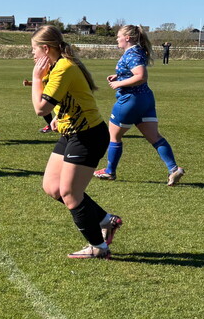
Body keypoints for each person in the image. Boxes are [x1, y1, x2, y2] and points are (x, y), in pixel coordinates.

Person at [30, 26, 122, 259]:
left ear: (45, 48)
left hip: (88, 135)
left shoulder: (63, 68)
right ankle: (104, 219)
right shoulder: (56, 66)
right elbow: (70, 98)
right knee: (52, 187)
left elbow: (41, 108)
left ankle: (98, 247)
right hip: (71, 133)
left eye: (33, 50)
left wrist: (35, 79)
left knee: (70, 193)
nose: (32, 54)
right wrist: (59, 118)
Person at [93, 25, 185, 186]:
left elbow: (141, 76)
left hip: (130, 100)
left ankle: (109, 171)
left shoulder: (132, 53)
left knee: (114, 136)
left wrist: (120, 83)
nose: (117, 39)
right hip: (145, 100)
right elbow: (135, 72)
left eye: (118, 36)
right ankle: (173, 169)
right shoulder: (137, 51)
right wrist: (120, 75)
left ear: (127, 38)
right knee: (154, 137)